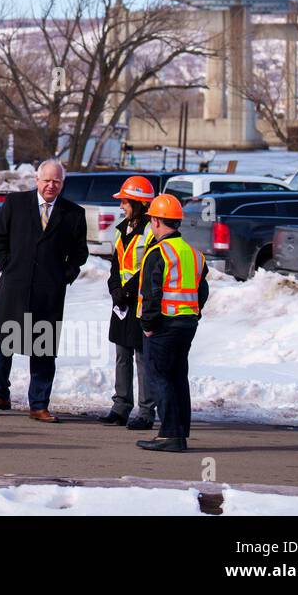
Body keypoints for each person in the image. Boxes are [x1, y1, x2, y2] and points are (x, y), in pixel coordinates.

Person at [0, 159, 88, 422]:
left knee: (43, 348)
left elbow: (80, 253)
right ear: (37, 180)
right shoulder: (16, 204)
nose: (51, 185)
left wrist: (63, 277)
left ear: (62, 183)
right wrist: (9, 267)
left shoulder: (73, 214)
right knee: (3, 343)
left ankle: (38, 404)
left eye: (56, 181)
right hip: (14, 286)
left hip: (48, 292)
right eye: (47, 180)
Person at [136, 193, 210, 453]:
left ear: (156, 221)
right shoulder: (193, 254)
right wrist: (194, 313)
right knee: (178, 377)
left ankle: (169, 434)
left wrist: (148, 324)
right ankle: (178, 434)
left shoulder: (158, 252)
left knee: (160, 377)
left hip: (164, 326)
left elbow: (151, 294)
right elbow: (202, 291)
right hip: (187, 324)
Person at [98, 176, 158, 430]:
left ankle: (146, 412)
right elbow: (116, 264)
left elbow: (149, 266)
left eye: (124, 201)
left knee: (143, 358)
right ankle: (121, 407)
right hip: (121, 302)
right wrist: (114, 289)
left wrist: (128, 291)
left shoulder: (151, 231)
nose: (121, 206)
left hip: (140, 301)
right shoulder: (121, 229)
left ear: (138, 202)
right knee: (122, 355)